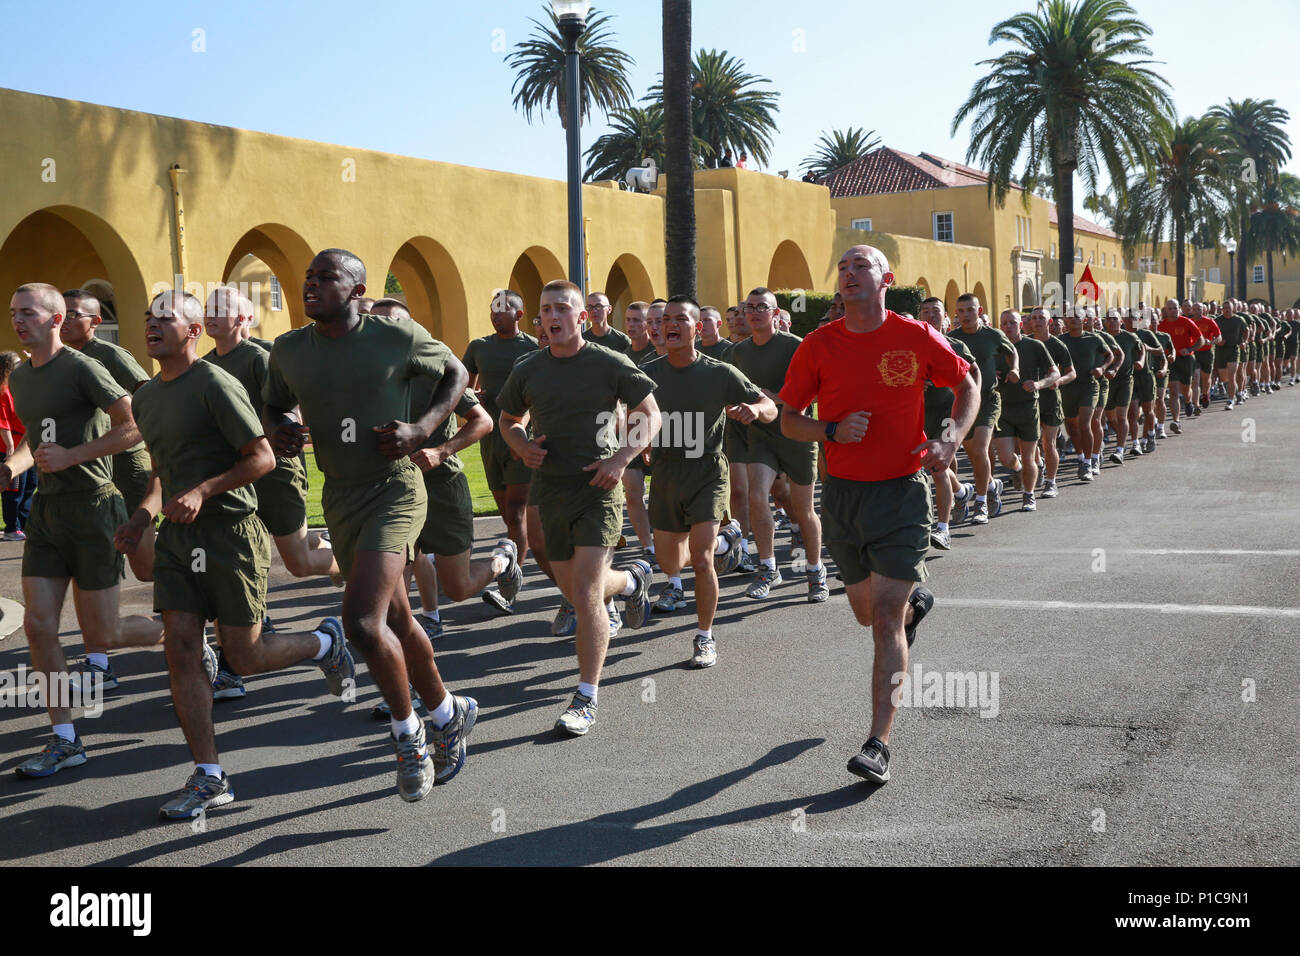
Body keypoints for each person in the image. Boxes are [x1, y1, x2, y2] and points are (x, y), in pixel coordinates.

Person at [116, 290, 355, 819]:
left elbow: (262, 457)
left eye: (166, 317)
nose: (152, 325)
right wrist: (140, 517)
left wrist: (203, 491)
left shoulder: (215, 385)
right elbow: (162, 469)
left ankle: (324, 643)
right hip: (179, 540)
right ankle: (209, 774)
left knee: (244, 656)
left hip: (229, 533)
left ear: (193, 331)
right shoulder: (148, 396)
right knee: (180, 645)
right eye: (148, 317)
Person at [264, 248, 477, 801]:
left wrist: (423, 428)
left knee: (360, 622)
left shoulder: (396, 338)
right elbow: (274, 405)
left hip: (394, 489)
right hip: (339, 495)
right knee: (398, 622)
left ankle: (409, 740)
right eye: (308, 277)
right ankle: (448, 712)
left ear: (358, 292)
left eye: (327, 278)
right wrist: (282, 427)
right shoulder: (288, 350)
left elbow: (455, 372)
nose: (311, 285)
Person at [779, 245, 977, 784]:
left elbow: (966, 385)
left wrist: (951, 438)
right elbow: (789, 420)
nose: (848, 274)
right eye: (841, 267)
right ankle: (914, 611)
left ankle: (877, 743)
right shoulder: (818, 345)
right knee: (868, 614)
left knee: (884, 619)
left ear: (886, 278)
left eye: (859, 266)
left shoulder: (914, 336)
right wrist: (830, 431)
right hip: (844, 495)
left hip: (902, 493)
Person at [3, 283, 164, 777]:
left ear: (55, 319)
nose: (18, 320)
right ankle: (65, 738)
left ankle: (184, 631)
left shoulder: (83, 367)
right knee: (38, 625)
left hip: (94, 507)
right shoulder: (22, 378)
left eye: (28, 312)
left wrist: (74, 455)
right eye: (13, 313)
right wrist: (13, 465)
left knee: (104, 633)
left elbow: (133, 425)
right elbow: (36, 433)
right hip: (48, 514)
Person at [497, 279, 661, 737]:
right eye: (546, 309)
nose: (553, 317)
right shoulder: (529, 368)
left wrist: (621, 458)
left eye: (562, 309)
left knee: (586, 591)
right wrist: (522, 446)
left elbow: (651, 414)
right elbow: (507, 420)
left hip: (598, 485)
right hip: (550, 488)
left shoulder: (609, 362)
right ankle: (632, 582)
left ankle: (586, 696)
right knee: (576, 588)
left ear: (581, 318)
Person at [371, 297, 518, 649]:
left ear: (411, 330)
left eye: (392, 323)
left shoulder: (437, 371)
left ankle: (502, 561)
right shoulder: (366, 377)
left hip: (441, 486)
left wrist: (441, 451)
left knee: (459, 587)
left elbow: (483, 422)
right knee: (393, 592)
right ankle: (405, 683)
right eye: (374, 324)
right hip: (393, 491)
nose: (381, 332)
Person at [641, 296, 774, 665]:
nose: (670, 325)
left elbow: (769, 406)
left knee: (700, 561)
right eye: (665, 319)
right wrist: (639, 442)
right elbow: (630, 412)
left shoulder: (719, 373)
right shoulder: (648, 371)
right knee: (670, 563)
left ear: (697, 329)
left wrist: (754, 409)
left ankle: (704, 636)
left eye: (680, 319)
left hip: (708, 472)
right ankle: (725, 542)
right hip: (666, 473)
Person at [727, 287, 826, 601]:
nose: (755, 312)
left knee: (803, 509)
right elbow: (732, 387)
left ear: (774, 313)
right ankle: (768, 568)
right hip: (761, 436)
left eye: (762, 307)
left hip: (797, 434)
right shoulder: (738, 352)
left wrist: (775, 398)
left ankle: (815, 570)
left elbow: (814, 388)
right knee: (757, 496)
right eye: (751, 307)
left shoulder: (794, 346)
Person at [59, 290, 156, 583]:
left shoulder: (109, 355)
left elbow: (148, 396)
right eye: (61, 313)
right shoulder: (61, 359)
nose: (65, 320)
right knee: (98, 554)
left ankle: (189, 604)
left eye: (73, 314)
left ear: (96, 321)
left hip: (128, 464)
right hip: (92, 470)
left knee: (144, 563)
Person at [461, 290, 539, 613]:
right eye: (492, 309)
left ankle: (509, 587)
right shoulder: (479, 347)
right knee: (508, 514)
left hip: (521, 437)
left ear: (519, 315)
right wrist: (473, 397)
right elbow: (462, 385)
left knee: (517, 511)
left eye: (502, 309)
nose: (495, 315)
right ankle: (515, 566)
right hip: (490, 439)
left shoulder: (533, 347)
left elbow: (542, 389)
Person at [947, 293, 1016, 523]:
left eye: (970, 310)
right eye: (961, 311)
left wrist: (1014, 369)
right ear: (956, 313)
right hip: (963, 401)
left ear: (980, 310)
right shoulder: (951, 338)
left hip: (988, 399)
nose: (965, 315)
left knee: (979, 449)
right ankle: (992, 485)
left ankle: (981, 502)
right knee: (976, 453)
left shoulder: (992, 335)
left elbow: (1011, 351)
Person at [918, 298, 978, 547]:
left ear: (945, 317)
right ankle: (963, 492)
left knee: (938, 468)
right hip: (918, 415)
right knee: (935, 469)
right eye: (925, 311)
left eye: (936, 311)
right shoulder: (911, 346)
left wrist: (973, 400)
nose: (931, 315)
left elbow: (974, 374)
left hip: (947, 412)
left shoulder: (956, 345)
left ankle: (942, 528)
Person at [995, 310, 1059, 510]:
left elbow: (1055, 373)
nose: (1008, 327)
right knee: (1006, 458)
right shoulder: (995, 348)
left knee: (1029, 453)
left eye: (1012, 323)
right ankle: (1018, 467)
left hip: (1028, 407)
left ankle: (1028, 495)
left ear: (1021, 325)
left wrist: (1039, 384)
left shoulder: (1034, 346)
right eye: (1004, 323)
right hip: (1003, 408)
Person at [1057, 308, 1110, 482]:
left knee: (1085, 423)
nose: (1073, 320)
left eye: (1077, 317)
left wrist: (1102, 368)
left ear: (1084, 320)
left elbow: (1109, 355)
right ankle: (1081, 457)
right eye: (1070, 317)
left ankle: (1090, 461)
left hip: (1089, 386)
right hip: (1067, 388)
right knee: (1072, 427)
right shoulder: (1061, 341)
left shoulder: (1093, 339)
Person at [1027, 307, 1075, 498]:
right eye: (1034, 318)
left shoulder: (1057, 345)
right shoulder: (1025, 343)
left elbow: (1072, 372)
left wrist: (1059, 381)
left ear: (1050, 323)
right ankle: (1038, 464)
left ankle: (1051, 482)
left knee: (1049, 442)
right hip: (1028, 399)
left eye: (1041, 318)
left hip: (1050, 399)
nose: (1037, 321)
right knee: (1028, 443)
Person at [1, 350, 36, 540]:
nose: (21, 365)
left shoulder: (18, 388)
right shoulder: (3, 392)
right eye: (17, 363)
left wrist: (35, 360)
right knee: (14, 489)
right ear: (8, 368)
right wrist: (9, 448)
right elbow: (2, 422)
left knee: (31, 484)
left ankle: (23, 524)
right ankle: (11, 528)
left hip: (26, 447)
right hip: (12, 447)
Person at [1157, 298, 1205, 435]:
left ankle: (1188, 401)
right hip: (1171, 361)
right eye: (1169, 308)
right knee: (1173, 391)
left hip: (1186, 359)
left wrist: (1190, 349)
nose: (1172, 311)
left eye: (1174, 308)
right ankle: (1176, 421)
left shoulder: (1187, 322)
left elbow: (1200, 340)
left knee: (1186, 389)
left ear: (1179, 308)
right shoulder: (1162, 325)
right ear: (1166, 310)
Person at [1101, 309, 1143, 464]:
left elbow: (1141, 350)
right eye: (1108, 319)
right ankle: (1124, 439)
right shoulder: (1102, 337)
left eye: (1115, 319)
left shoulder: (1130, 337)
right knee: (1110, 417)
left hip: (1125, 379)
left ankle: (1120, 449)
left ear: (1121, 321)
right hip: (1107, 381)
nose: (1111, 321)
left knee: (1125, 414)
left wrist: (1141, 362)